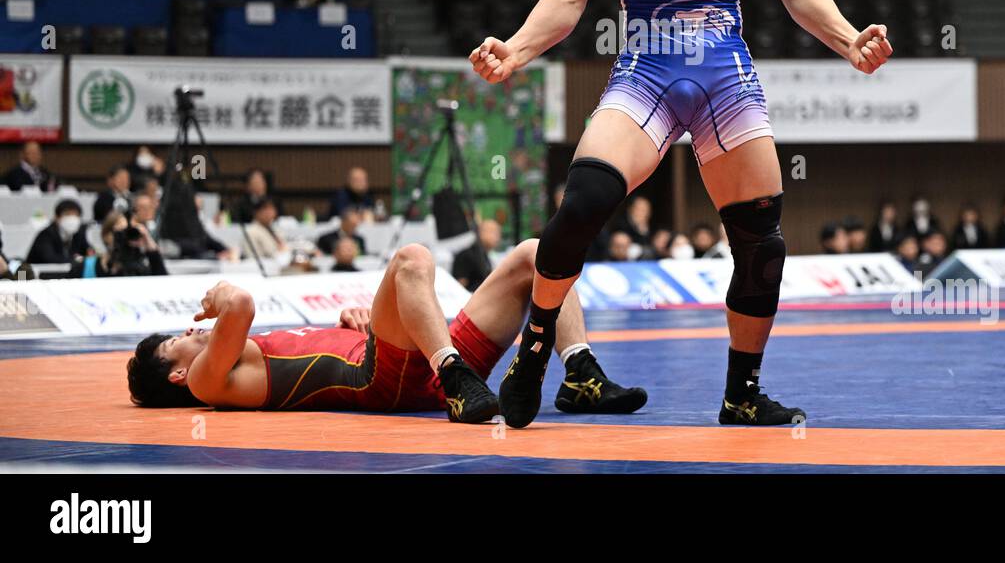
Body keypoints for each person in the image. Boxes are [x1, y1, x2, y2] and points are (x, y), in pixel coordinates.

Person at [470, 0, 892, 427]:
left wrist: (850, 41)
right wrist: (515, 50)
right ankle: (538, 345)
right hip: (646, 68)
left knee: (763, 246)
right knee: (583, 202)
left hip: (724, 71)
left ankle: (741, 394)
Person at [126, 240, 647, 423]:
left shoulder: (237, 360)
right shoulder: (205, 382)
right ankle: (457, 381)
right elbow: (239, 303)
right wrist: (218, 295)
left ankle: (581, 373)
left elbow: (318, 351)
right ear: (176, 374)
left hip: (405, 358)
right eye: (176, 342)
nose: (188, 333)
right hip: (386, 380)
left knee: (539, 253)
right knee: (411, 259)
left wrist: (355, 325)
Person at [27, 200, 93, 268]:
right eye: (67, 214)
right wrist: (76, 259)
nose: (72, 219)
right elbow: (49, 258)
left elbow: (89, 251)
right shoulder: (46, 234)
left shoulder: (79, 233)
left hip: (64, 274)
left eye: (75, 215)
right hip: (31, 274)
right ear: (56, 217)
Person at [453, 218, 501, 291]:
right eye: (492, 231)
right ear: (480, 232)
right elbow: (459, 287)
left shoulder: (487, 256)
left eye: (498, 233)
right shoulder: (466, 256)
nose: (497, 237)